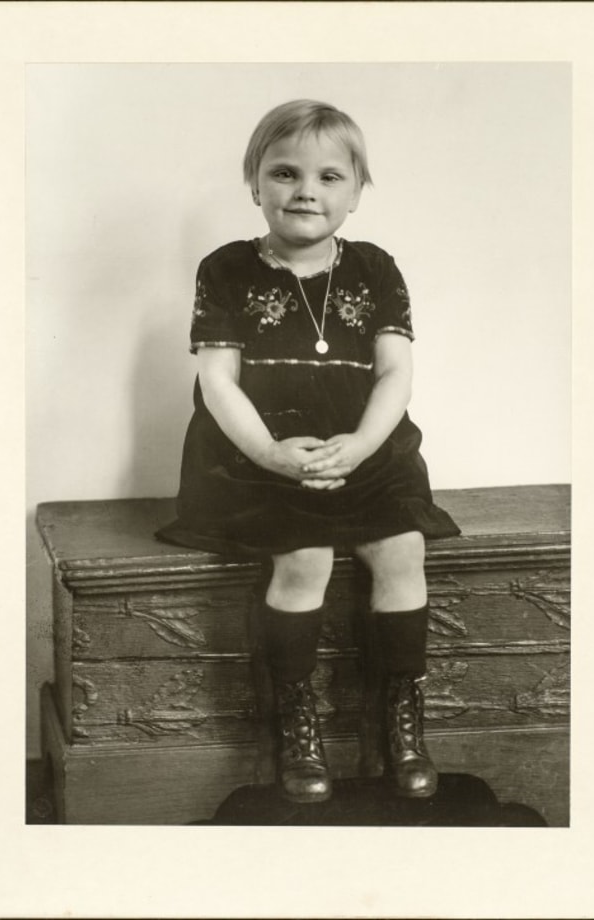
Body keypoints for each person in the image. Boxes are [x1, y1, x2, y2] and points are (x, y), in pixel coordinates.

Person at [156, 99, 460, 804]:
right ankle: (298, 724)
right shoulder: (227, 268)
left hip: (365, 447)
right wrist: (269, 454)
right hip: (251, 456)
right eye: (285, 172)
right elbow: (218, 380)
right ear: (255, 182)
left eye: (329, 177)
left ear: (355, 193)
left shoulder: (376, 268)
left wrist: (357, 446)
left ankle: (402, 719)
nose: (306, 191)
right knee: (304, 555)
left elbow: (395, 374)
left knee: (401, 550)